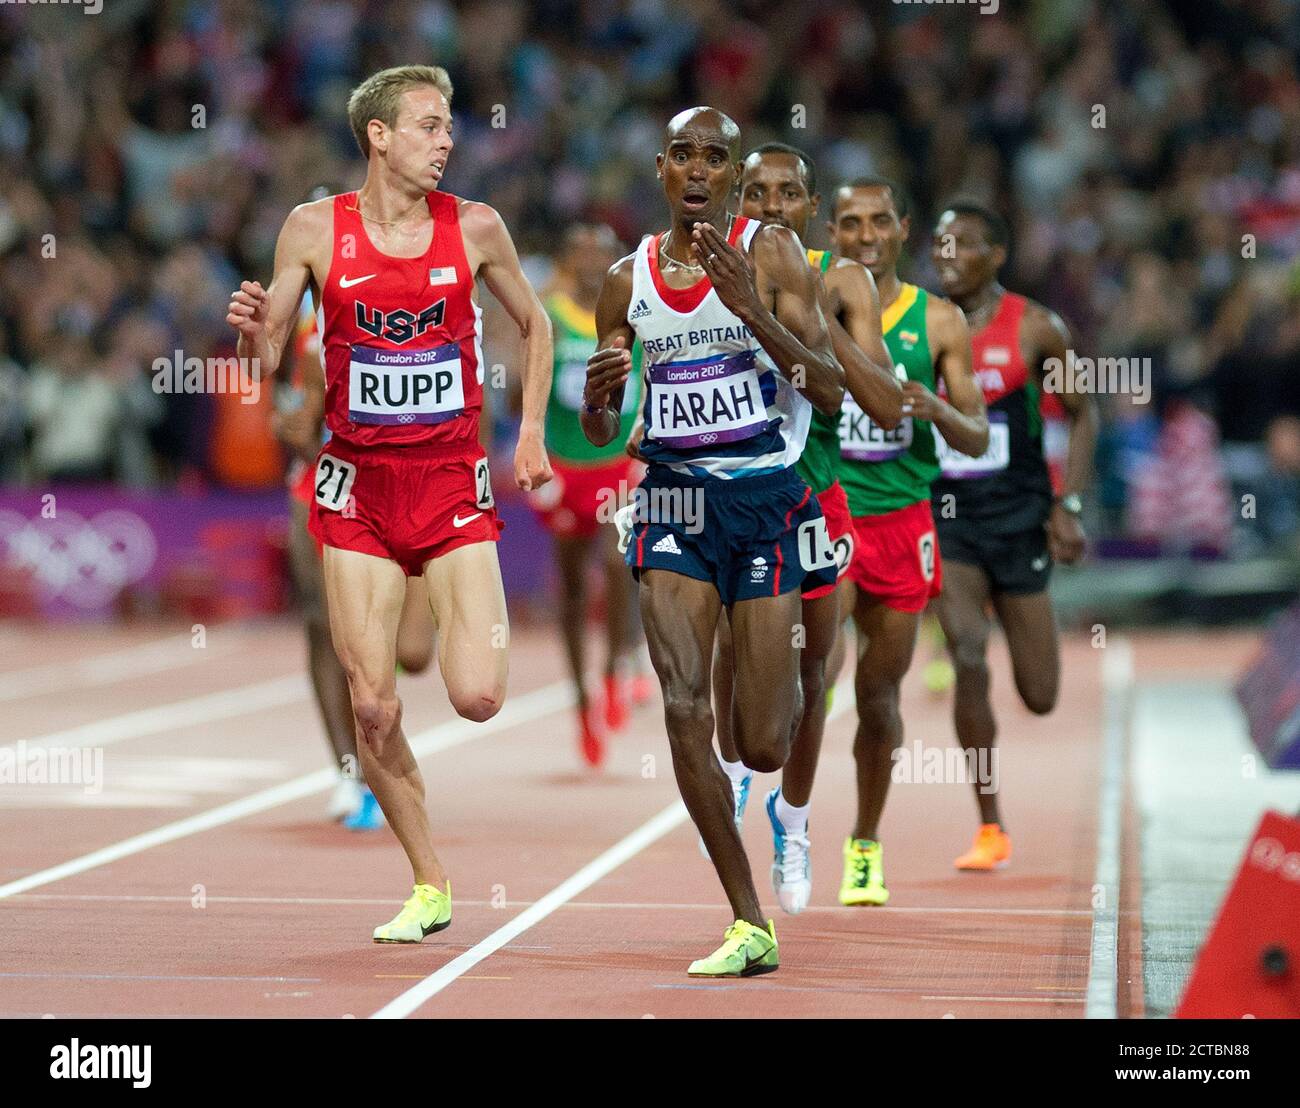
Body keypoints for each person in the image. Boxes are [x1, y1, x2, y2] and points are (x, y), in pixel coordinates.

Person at [226, 65, 552, 943]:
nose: (447, 141)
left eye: (449, 128)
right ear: (378, 135)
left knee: (478, 695)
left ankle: (424, 597)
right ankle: (429, 881)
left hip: (449, 484)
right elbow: (267, 366)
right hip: (356, 489)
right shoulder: (311, 229)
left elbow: (538, 323)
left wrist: (528, 433)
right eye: (429, 126)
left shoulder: (476, 226)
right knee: (373, 704)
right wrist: (254, 330)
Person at [582, 107, 841, 976]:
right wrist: (595, 395)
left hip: (765, 499)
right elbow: (600, 420)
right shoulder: (626, 280)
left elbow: (831, 389)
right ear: (660, 168)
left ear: (731, 174)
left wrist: (750, 312)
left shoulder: (771, 253)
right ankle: (746, 919)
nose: (698, 170)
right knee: (685, 707)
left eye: (715, 158)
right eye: (683, 156)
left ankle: (766, 764)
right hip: (673, 504)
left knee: (761, 744)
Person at [708, 143, 902, 914]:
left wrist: (812, 320)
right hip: (738, 496)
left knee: (816, 669)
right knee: (727, 639)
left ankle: (791, 816)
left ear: (810, 208)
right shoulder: (713, 265)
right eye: (756, 192)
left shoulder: (842, 278)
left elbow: (884, 403)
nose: (771, 206)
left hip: (818, 495)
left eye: (789, 194)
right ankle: (727, 776)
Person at [828, 178, 988, 906]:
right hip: (831, 513)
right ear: (833, 231)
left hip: (905, 523)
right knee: (814, 674)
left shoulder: (942, 321)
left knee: (878, 697)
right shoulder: (814, 304)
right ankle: (785, 807)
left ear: (903, 229)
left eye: (879, 222)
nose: (866, 236)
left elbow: (979, 432)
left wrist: (931, 410)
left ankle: (865, 840)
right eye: (851, 223)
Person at [930, 202, 1095, 868]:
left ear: (996, 254)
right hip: (948, 521)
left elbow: (1084, 416)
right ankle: (989, 823)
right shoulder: (917, 325)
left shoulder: (1036, 329)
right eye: (941, 242)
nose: (947, 254)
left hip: (1021, 517)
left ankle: (1015, 645)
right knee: (967, 654)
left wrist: (1069, 503)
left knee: (1039, 694)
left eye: (964, 244)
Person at [274, 235, 434, 829]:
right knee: (322, 626)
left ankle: (374, 745)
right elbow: (284, 396)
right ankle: (350, 770)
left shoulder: (395, 301)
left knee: (407, 651)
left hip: (395, 479)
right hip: (318, 480)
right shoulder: (296, 320)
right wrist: (286, 418)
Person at [527, 224, 646, 767]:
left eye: (604, 253)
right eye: (584, 252)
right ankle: (581, 699)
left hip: (618, 460)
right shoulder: (549, 315)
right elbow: (522, 387)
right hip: (565, 465)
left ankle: (616, 667)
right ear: (567, 260)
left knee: (622, 565)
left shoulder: (631, 315)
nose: (595, 261)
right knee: (572, 588)